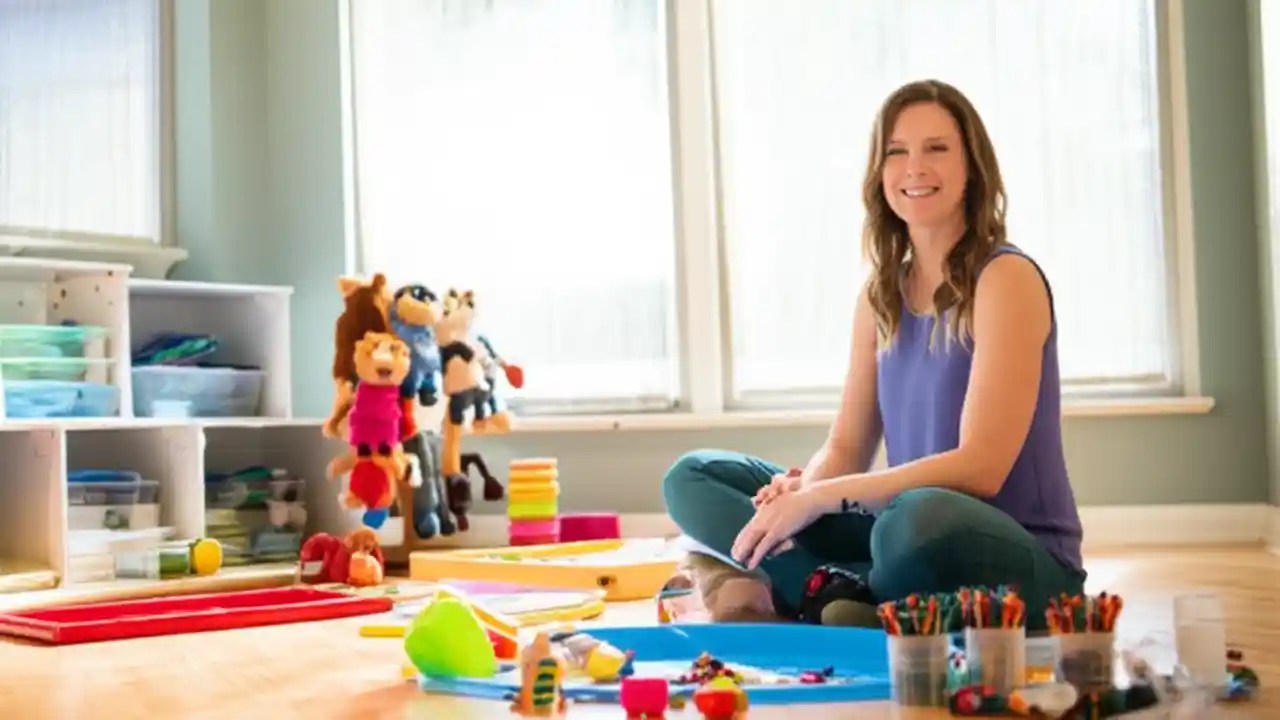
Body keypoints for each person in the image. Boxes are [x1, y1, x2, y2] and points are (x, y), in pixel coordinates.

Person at [661, 79, 1086, 629]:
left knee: (912, 519)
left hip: (1005, 553)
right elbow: (846, 447)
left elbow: (981, 469)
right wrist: (801, 492)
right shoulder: (881, 293)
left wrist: (823, 499)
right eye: (896, 152)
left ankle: (820, 588)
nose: (915, 167)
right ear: (879, 172)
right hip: (901, 534)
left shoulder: (1005, 278)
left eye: (936, 148)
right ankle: (847, 595)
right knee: (693, 477)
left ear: (972, 168)